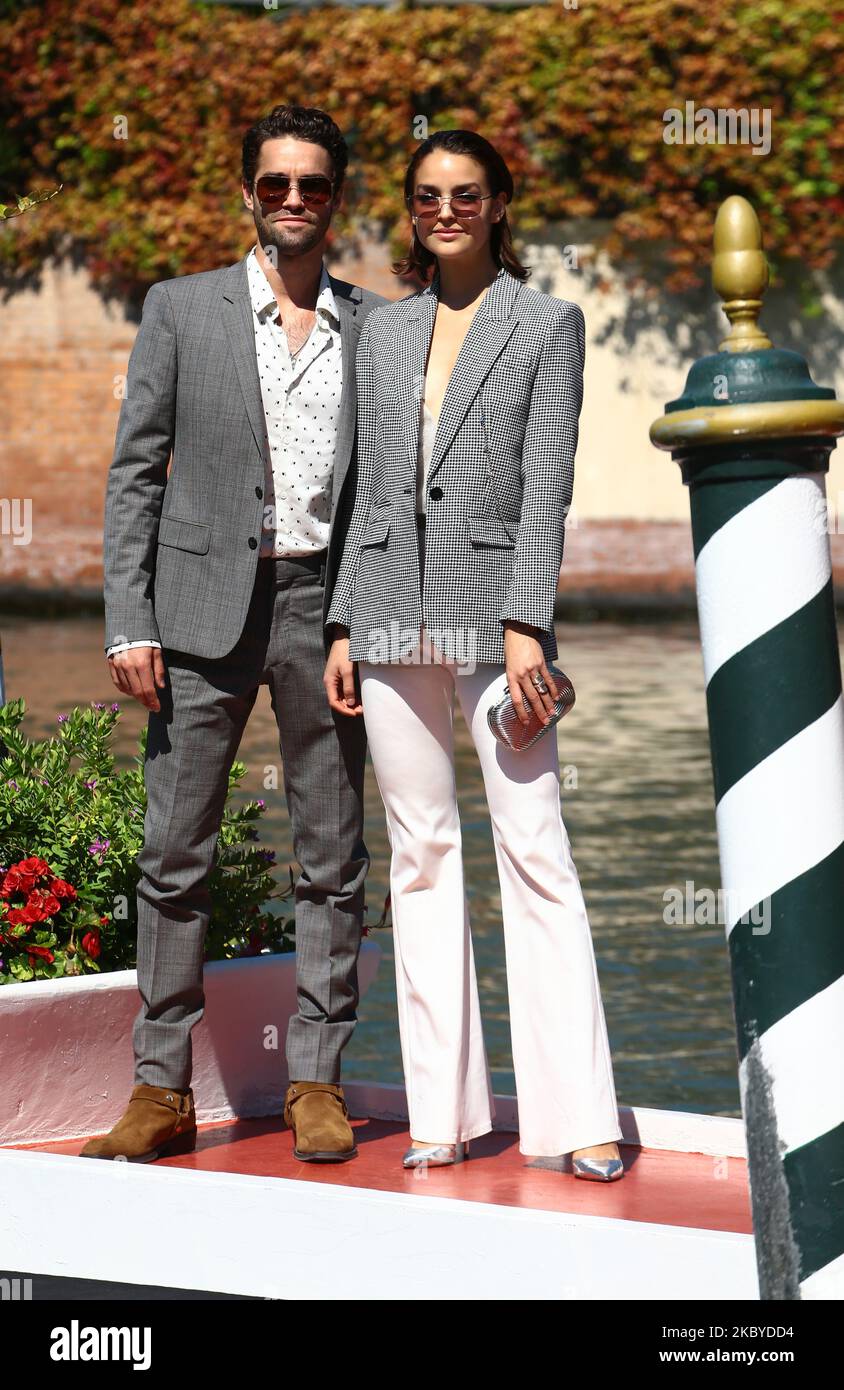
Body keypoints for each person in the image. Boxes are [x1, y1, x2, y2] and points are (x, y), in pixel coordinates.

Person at [82, 105, 388, 1165]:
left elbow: (384, 496)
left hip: (322, 610)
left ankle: (315, 1079)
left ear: (335, 198)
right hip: (199, 613)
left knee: (331, 856)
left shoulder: (376, 324)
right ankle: (159, 1087)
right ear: (247, 193)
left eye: (312, 185)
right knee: (174, 853)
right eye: (275, 184)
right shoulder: (180, 310)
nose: (293, 201)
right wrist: (131, 619)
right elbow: (135, 473)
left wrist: (362, 618)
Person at [324, 130, 624, 1181]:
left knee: (535, 848)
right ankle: (440, 1112)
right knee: (419, 854)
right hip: (390, 616)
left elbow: (548, 485)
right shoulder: (380, 328)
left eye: (464, 194)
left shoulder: (548, 324)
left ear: (500, 203)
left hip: (496, 620)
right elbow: (360, 487)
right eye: (425, 196)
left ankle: (577, 1114)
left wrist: (525, 618)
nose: (443, 210)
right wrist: (342, 626)